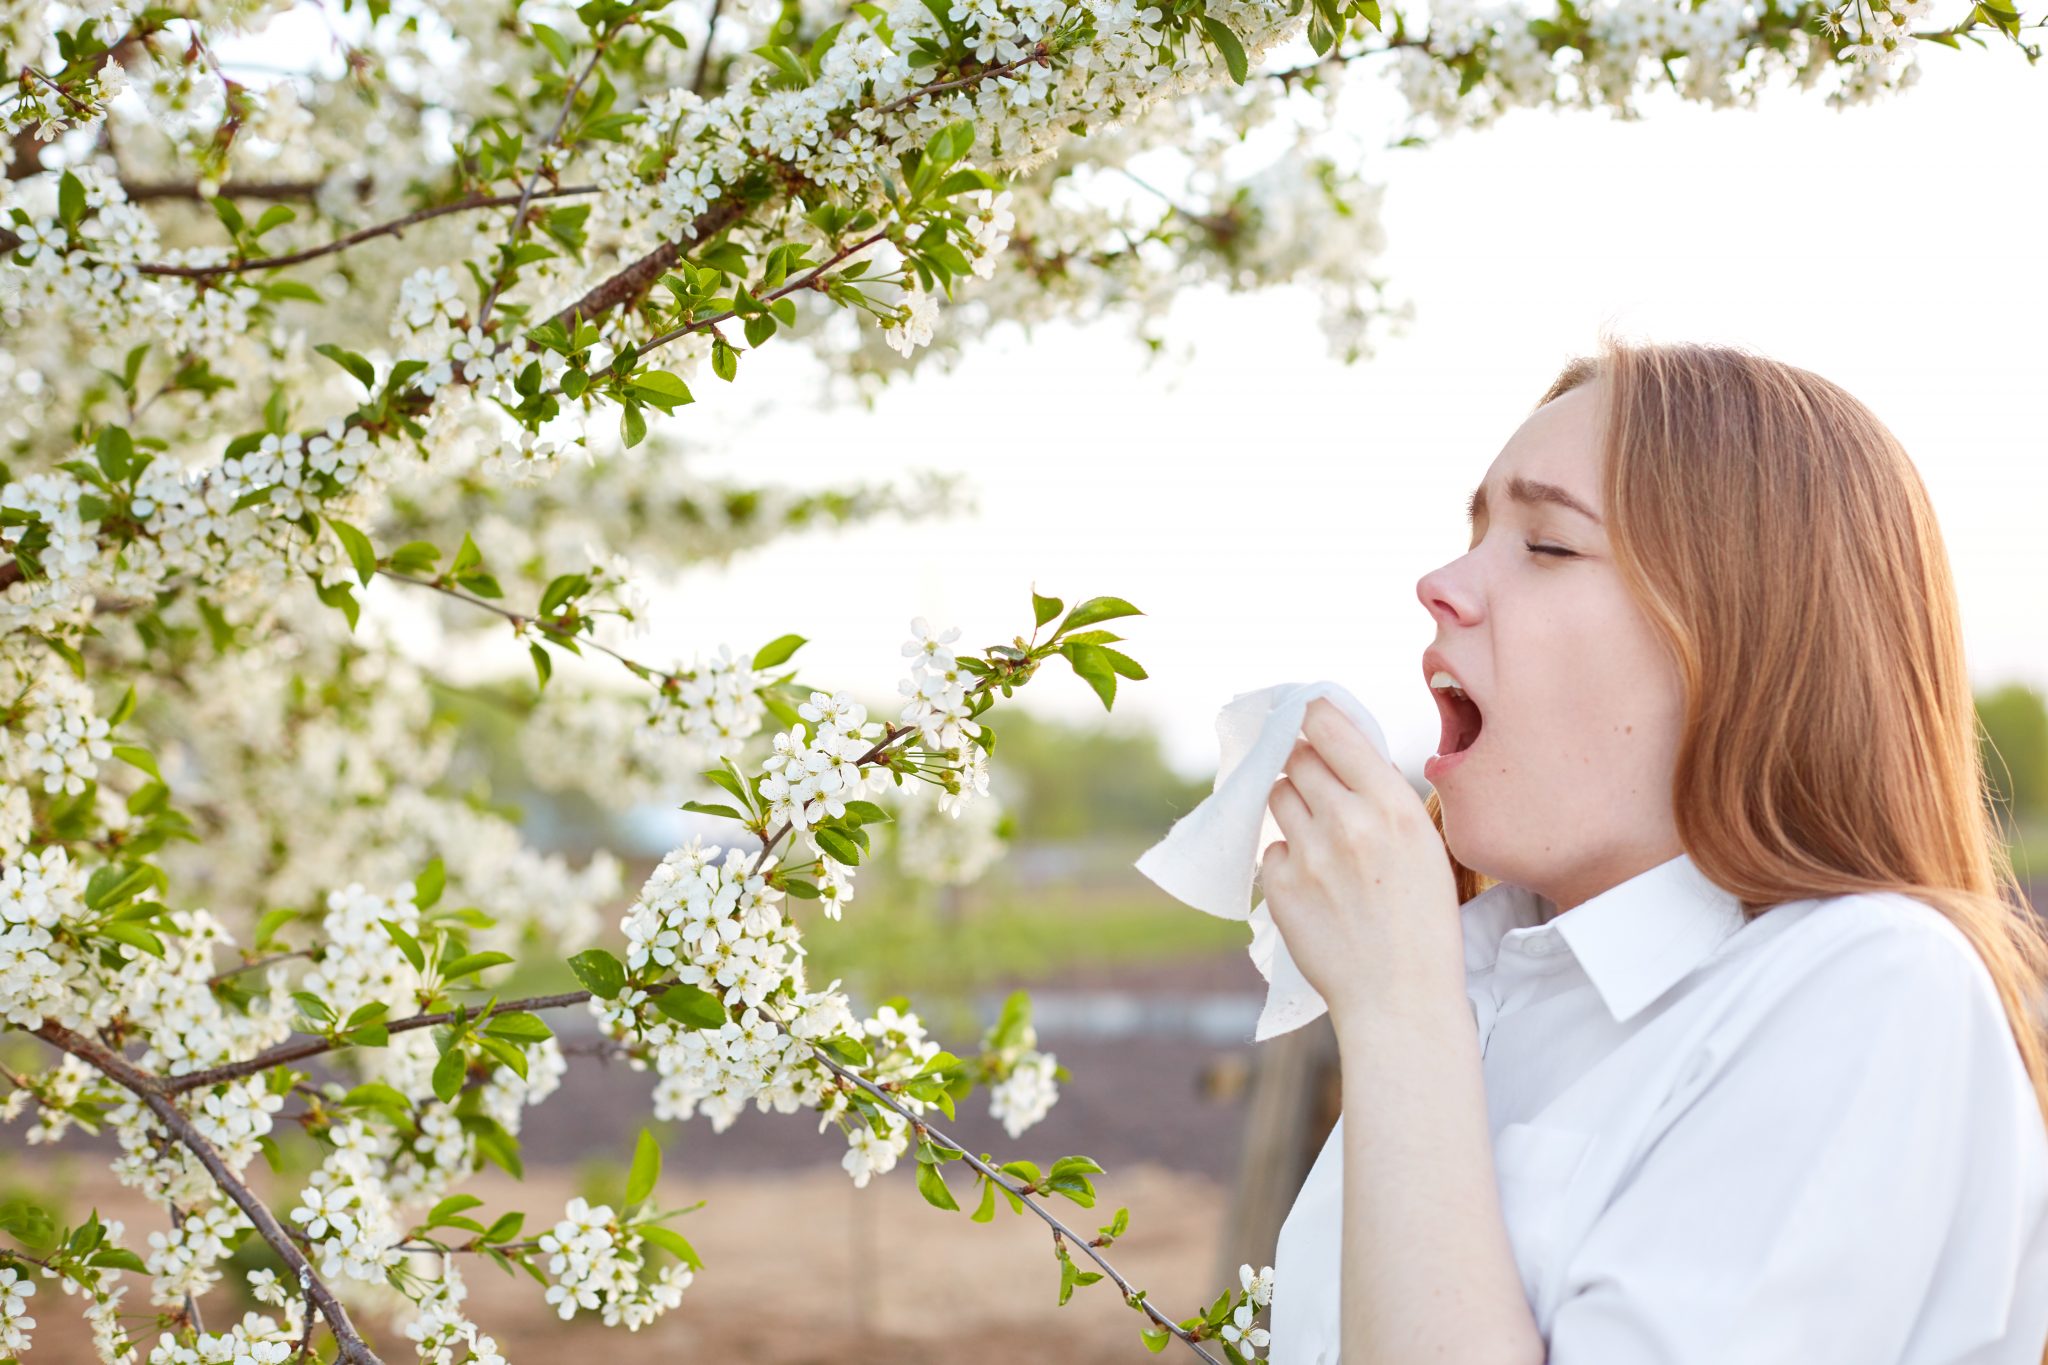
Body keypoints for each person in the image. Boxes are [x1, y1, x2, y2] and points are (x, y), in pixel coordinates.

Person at [1257, 333, 2048, 1365]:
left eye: (1546, 546)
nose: (1438, 582)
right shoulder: (1488, 981)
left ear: (1744, 638)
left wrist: (1399, 1012)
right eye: (1473, 532)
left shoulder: (1871, 987)